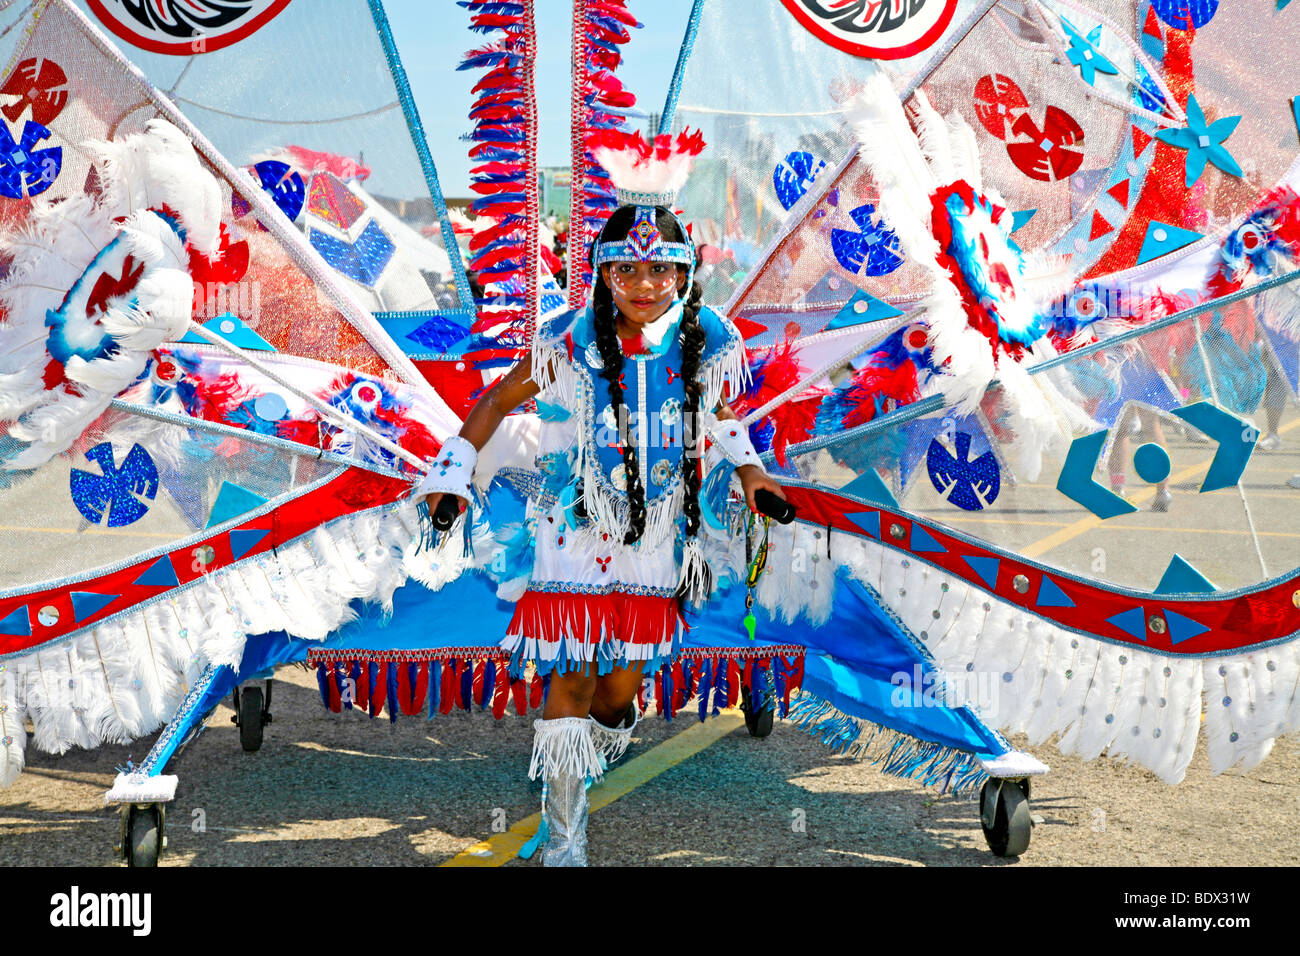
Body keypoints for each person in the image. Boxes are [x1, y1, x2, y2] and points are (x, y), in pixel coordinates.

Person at [415, 133, 785, 865]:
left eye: (659, 269)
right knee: (573, 679)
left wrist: (752, 476)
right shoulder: (568, 341)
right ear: (604, 274)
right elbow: (494, 401)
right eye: (626, 268)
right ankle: (565, 839)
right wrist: (453, 474)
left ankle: (597, 747)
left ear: (683, 275)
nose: (643, 284)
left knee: (618, 694)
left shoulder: (703, 341)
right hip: (574, 536)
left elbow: (719, 417)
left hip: (656, 544)